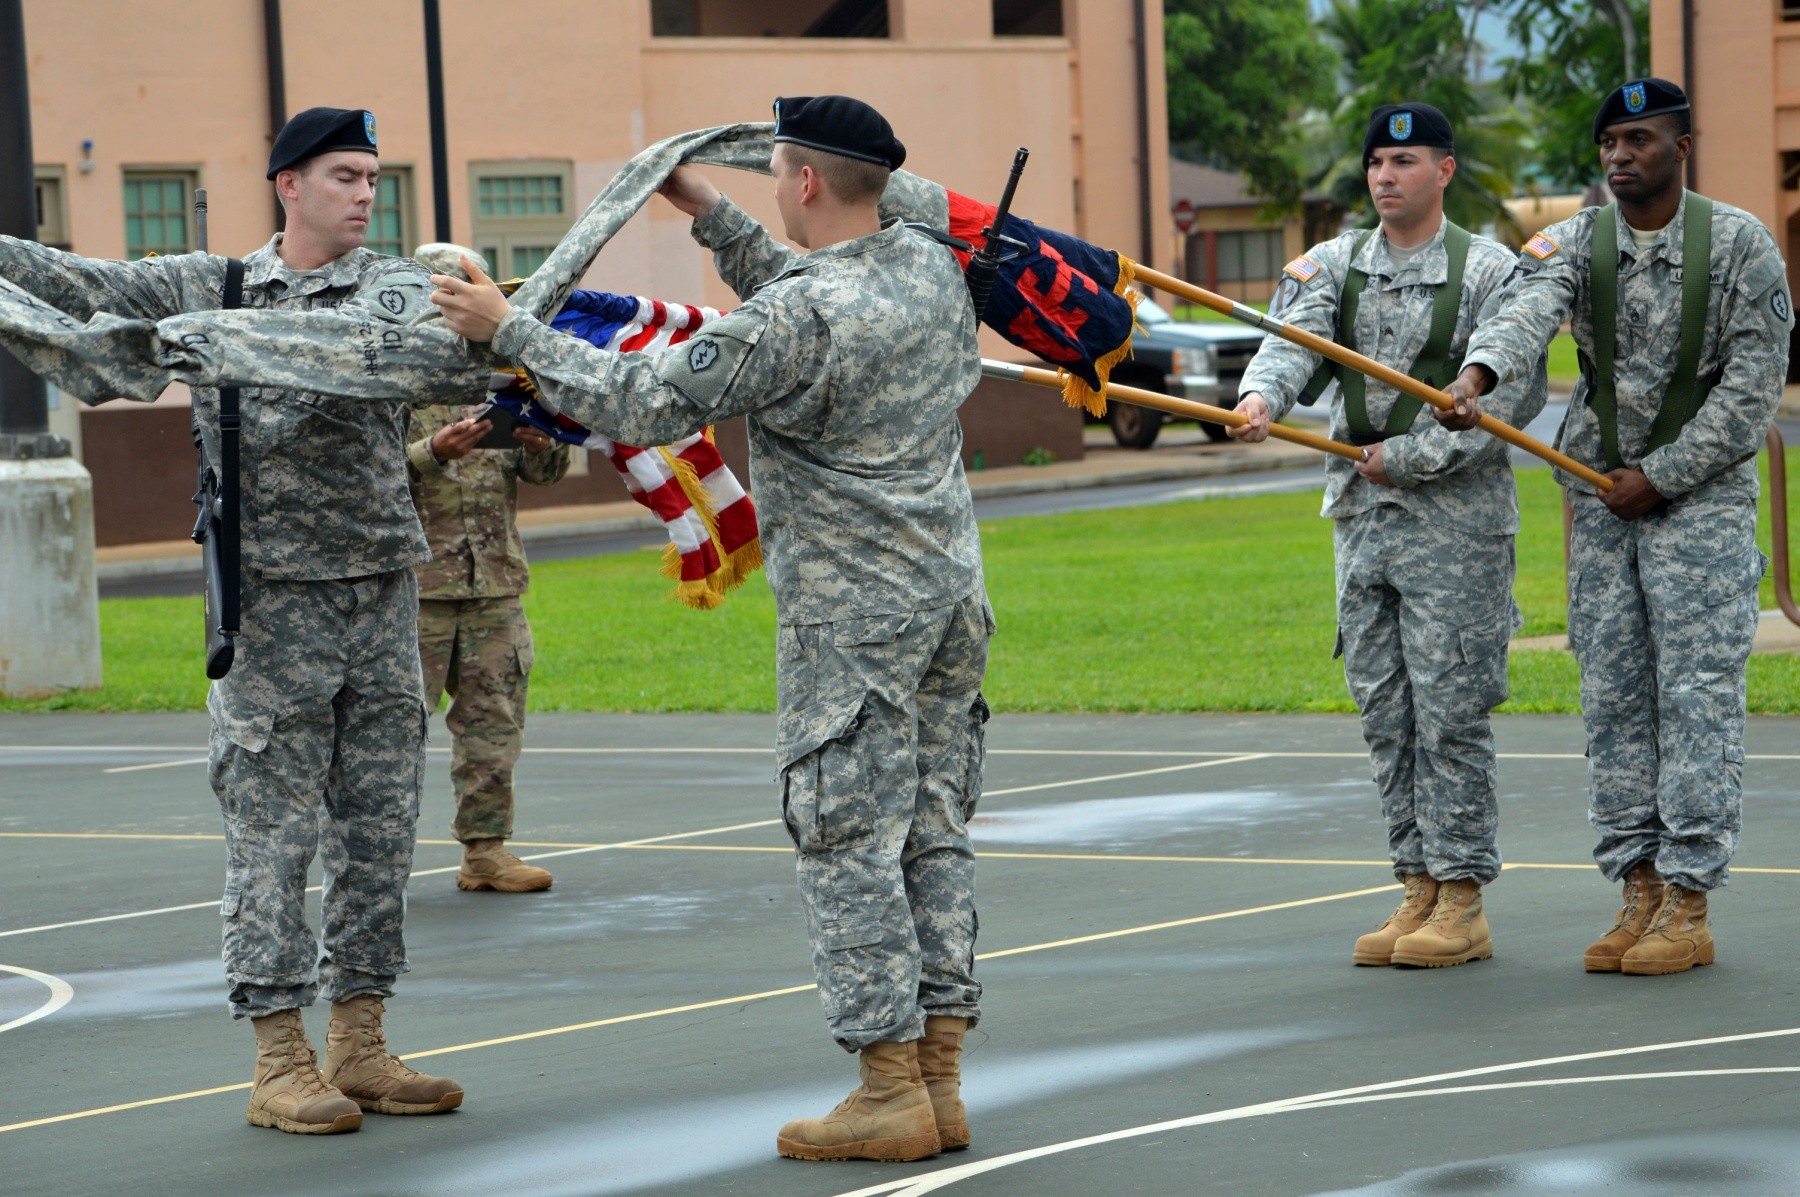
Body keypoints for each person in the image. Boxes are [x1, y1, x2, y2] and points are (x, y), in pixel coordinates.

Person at [432, 95, 989, 1163]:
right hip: (948, 600)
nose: (772, 190)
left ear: (807, 183)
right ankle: (940, 1079)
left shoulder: (802, 315)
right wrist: (710, 213)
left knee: (845, 838)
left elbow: (642, 399)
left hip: (852, 617)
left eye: (775, 173)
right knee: (932, 830)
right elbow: (808, 301)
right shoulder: (927, 265)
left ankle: (886, 1086)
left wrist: (510, 331)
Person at [0, 106, 467, 1133]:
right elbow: (75, 287)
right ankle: (278, 1057)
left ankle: (361, 1041)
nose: (365, 193)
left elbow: (458, 353)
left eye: (374, 177)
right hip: (270, 605)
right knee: (274, 837)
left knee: (382, 830)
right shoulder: (205, 289)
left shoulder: (399, 290)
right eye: (345, 175)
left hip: (383, 591)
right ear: (287, 185)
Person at [1438, 79, 1791, 976]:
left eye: (1638, 138)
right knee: (1615, 695)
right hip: (1600, 500)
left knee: (1696, 697)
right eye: (1608, 142)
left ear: (1682, 146)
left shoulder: (1742, 246)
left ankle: (1690, 899)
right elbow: (1522, 312)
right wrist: (1477, 378)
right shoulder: (1574, 241)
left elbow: (1752, 392)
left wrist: (1662, 476)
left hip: (1699, 504)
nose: (1619, 155)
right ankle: (1636, 886)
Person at [1231, 103, 1548, 970]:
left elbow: (1509, 400)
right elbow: (1290, 344)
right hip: (1361, 524)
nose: (1384, 177)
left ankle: (1463, 895)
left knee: (1450, 710)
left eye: (1403, 161)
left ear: (1444, 170)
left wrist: (1407, 455)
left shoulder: (1491, 271)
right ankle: (1415, 881)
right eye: (1375, 161)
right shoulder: (1336, 264)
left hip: (1457, 524)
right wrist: (1262, 400)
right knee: (1385, 709)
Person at [407, 244, 570, 894]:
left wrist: (542, 441)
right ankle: (370, 862)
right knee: (386, 736)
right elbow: (360, 476)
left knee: (494, 726)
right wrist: (430, 452)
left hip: (494, 583)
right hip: (413, 588)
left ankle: (485, 851)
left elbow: (545, 473)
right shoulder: (394, 378)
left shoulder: (502, 374)